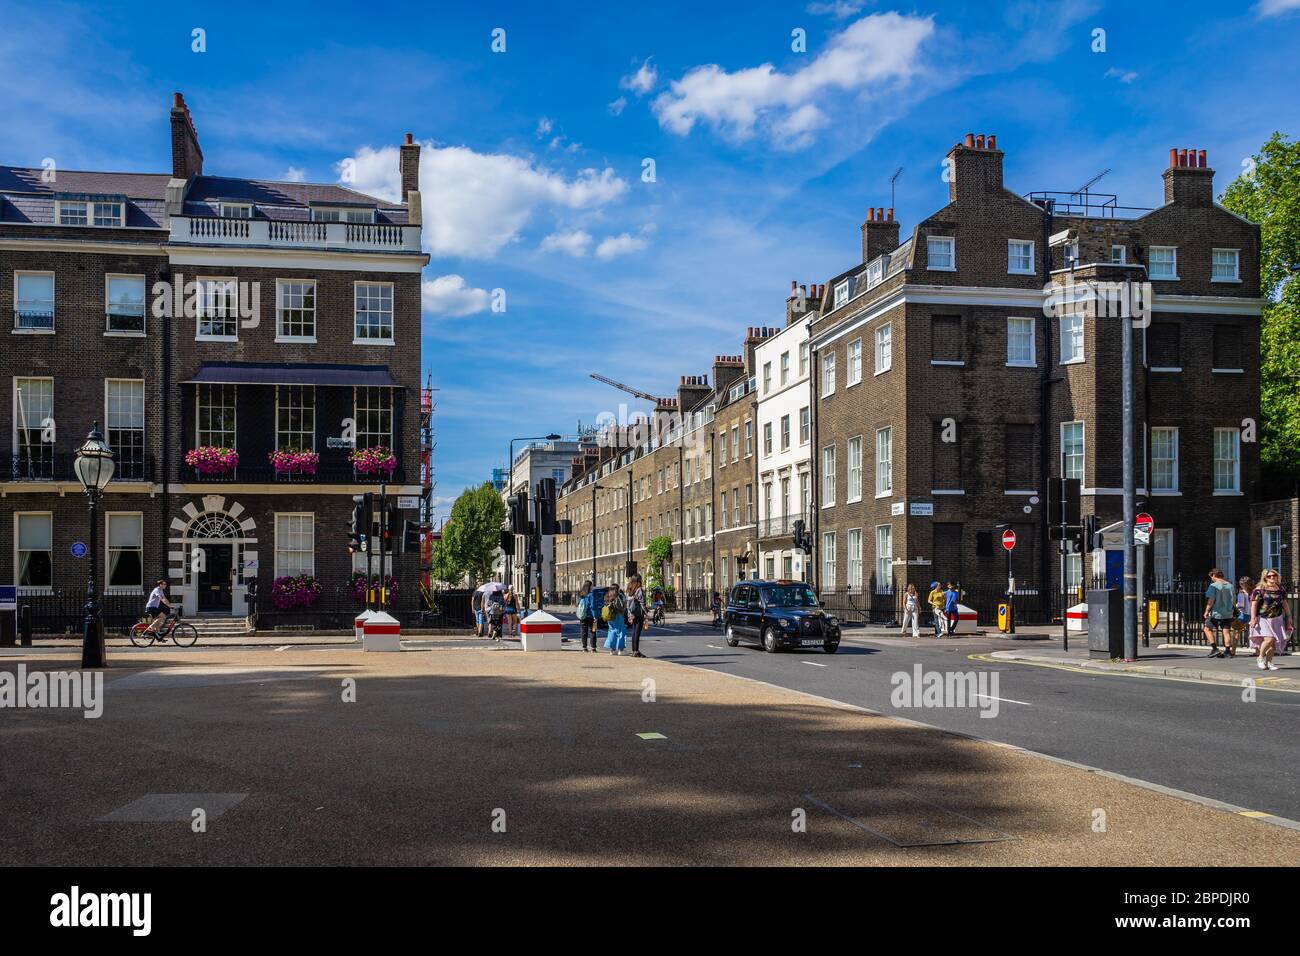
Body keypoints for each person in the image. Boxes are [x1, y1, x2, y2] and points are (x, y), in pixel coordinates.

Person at [1250, 570, 1291, 671]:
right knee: (1269, 639)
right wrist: (1253, 618)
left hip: (1277, 618)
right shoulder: (1259, 589)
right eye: (1269, 576)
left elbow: (1284, 603)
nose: (1272, 577)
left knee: (1273, 643)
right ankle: (1260, 658)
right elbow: (1254, 605)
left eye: (1274, 575)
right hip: (1263, 618)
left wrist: (1289, 617)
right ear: (1265, 577)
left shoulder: (1281, 589)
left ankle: (1269, 662)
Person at [1203, 568, 1238, 658]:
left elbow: (1211, 600)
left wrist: (1206, 611)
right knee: (1226, 631)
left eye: (1211, 577)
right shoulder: (1230, 585)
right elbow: (1234, 600)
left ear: (1214, 575)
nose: (1211, 579)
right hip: (1228, 612)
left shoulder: (1213, 586)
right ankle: (1227, 651)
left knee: (1207, 629)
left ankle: (1214, 649)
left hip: (1217, 613)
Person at [603, 583, 628, 655]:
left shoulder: (607, 596)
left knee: (611, 632)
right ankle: (621, 649)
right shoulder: (618, 596)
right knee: (620, 632)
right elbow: (622, 607)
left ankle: (612, 650)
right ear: (617, 589)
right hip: (618, 616)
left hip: (610, 617)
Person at [626, 575, 647, 658]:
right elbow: (642, 603)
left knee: (634, 632)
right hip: (639, 614)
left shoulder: (629, 590)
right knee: (637, 632)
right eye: (640, 580)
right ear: (638, 582)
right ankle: (636, 651)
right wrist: (646, 613)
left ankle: (634, 650)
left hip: (633, 613)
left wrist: (629, 615)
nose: (641, 582)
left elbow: (627, 604)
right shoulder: (639, 590)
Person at [575, 581, 598, 652]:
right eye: (592, 586)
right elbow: (593, 606)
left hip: (582, 615)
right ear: (590, 586)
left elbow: (578, 604)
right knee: (593, 631)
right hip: (591, 615)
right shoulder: (591, 595)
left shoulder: (581, 594)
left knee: (583, 631)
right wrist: (595, 616)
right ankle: (593, 648)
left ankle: (584, 647)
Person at [1236, 576, 1256, 654]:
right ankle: (1257, 651)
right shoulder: (1255, 591)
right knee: (1255, 634)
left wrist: (1236, 605)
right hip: (1254, 615)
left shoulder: (1242, 593)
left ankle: (1232, 651)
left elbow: (1241, 605)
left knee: (1236, 632)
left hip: (1244, 615)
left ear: (1242, 585)